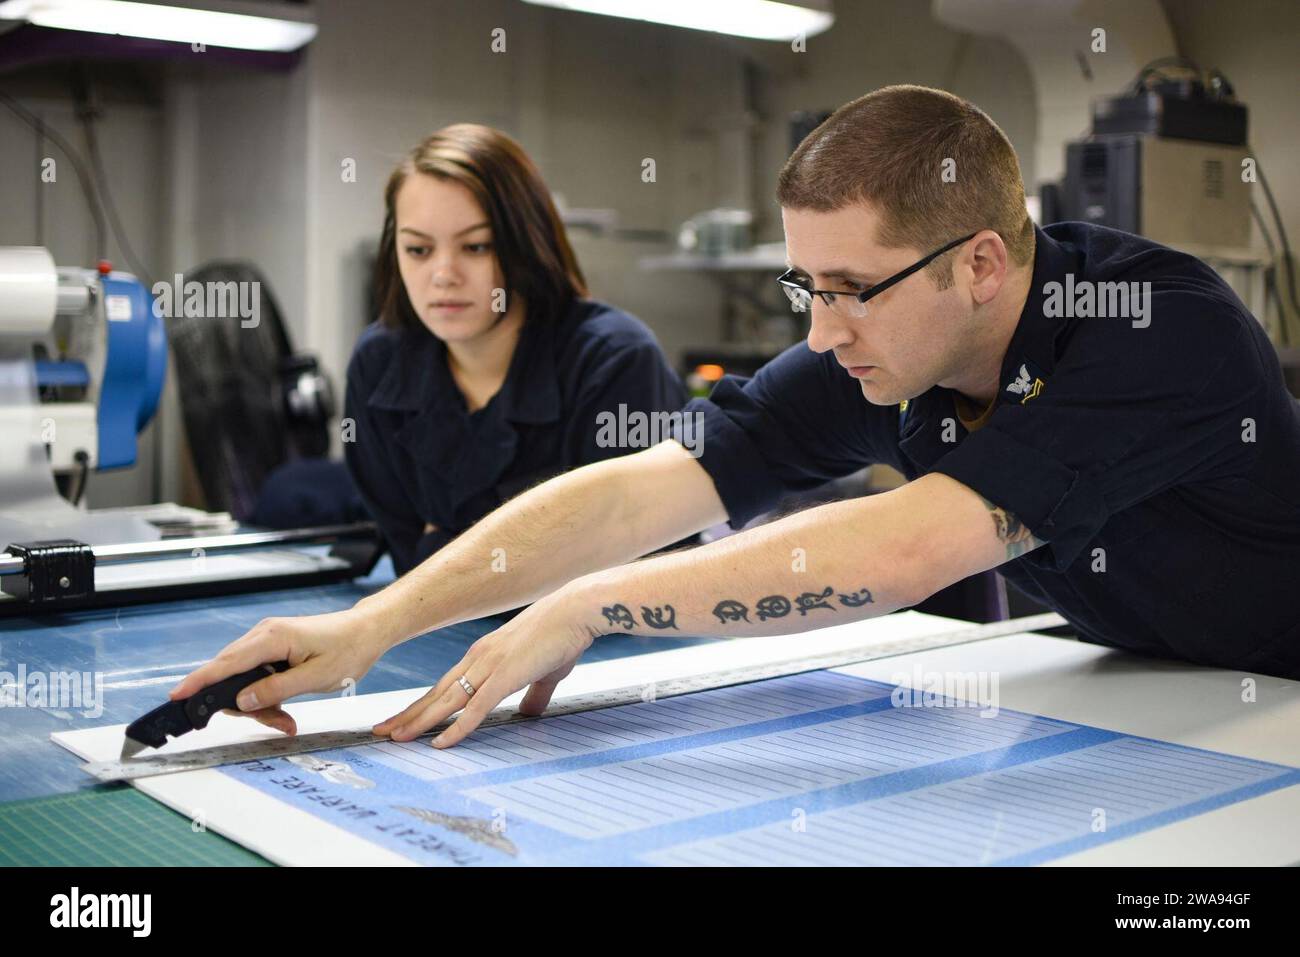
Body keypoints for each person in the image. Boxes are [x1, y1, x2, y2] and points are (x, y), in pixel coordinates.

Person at [173, 86, 1300, 749]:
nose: (821, 332)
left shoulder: (1154, 329)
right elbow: (647, 486)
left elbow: (914, 546)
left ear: (983, 264)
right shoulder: (881, 350)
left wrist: (595, 608)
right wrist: (372, 628)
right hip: (1142, 689)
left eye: (854, 288)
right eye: (807, 289)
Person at [344, 123, 686, 575]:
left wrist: (445, 545)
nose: (444, 274)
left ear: (526, 244)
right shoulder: (378, 362)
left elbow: (617, 568)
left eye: (476, 246)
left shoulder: (614, 361)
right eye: (419, 249)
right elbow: (412, 562)